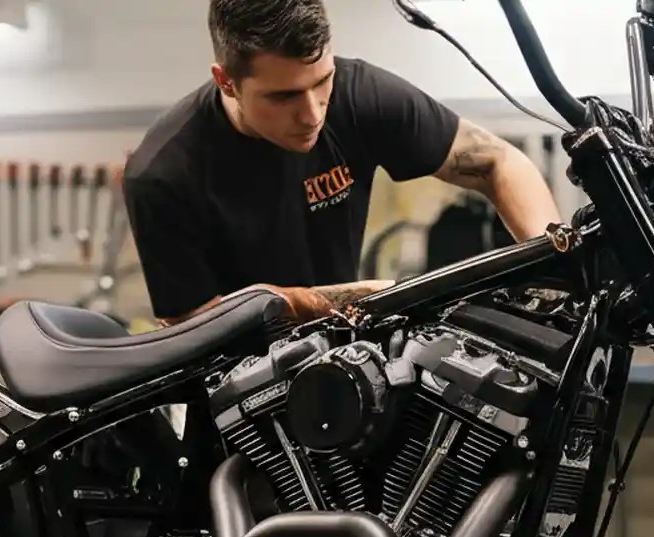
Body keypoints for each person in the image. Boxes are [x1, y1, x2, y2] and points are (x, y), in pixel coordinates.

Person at [123, 0, 562, 326]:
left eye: (322, 81)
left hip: (343, 363)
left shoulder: (358, 95)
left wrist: (554, 272)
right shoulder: (163, 172)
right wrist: (365, 297)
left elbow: (495, 161)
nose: (313, 113)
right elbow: (193, 325)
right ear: (227, 82)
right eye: (284, 96)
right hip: (236, 398)